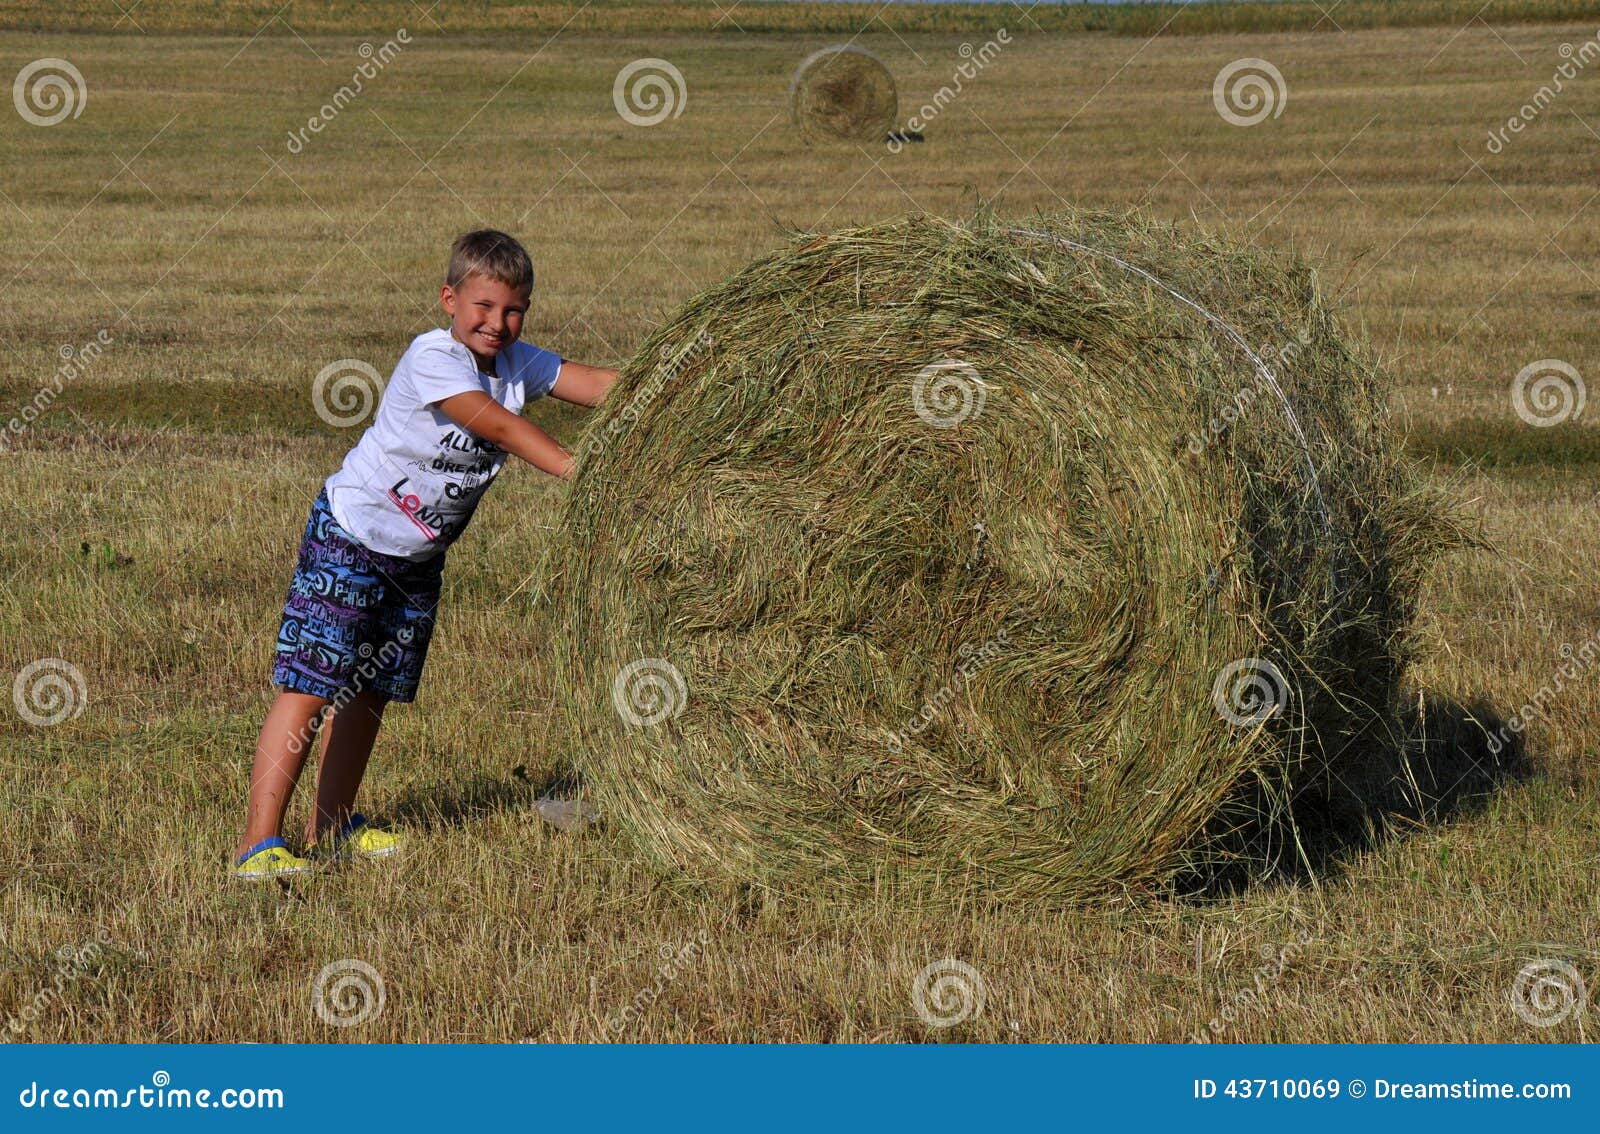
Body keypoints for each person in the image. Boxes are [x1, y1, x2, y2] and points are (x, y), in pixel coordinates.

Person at [231, 228, 617, 880]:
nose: (498, 323)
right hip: (352, 538)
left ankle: (332, 827)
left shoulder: (521, 361)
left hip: (416, 558)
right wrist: (568, 464)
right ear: (449, 299)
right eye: (484, 307)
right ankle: (258, 844)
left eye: (513, 309)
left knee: (370, 692)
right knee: (310, 688)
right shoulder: (433, 356)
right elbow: (491, 422)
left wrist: (678, 390)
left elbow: (599, 385)